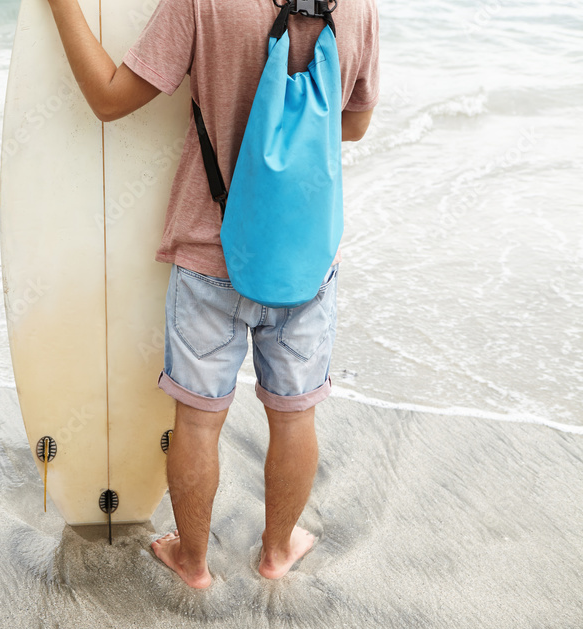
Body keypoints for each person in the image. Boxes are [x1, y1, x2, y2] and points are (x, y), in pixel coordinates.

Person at [45, 0, 379, 587]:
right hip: (304, 256)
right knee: (295, 412)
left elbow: (108, 99)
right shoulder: (359, 6)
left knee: (198, 420)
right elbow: (352, 124)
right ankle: (276, 554)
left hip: (208, 249)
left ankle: (193, 562)